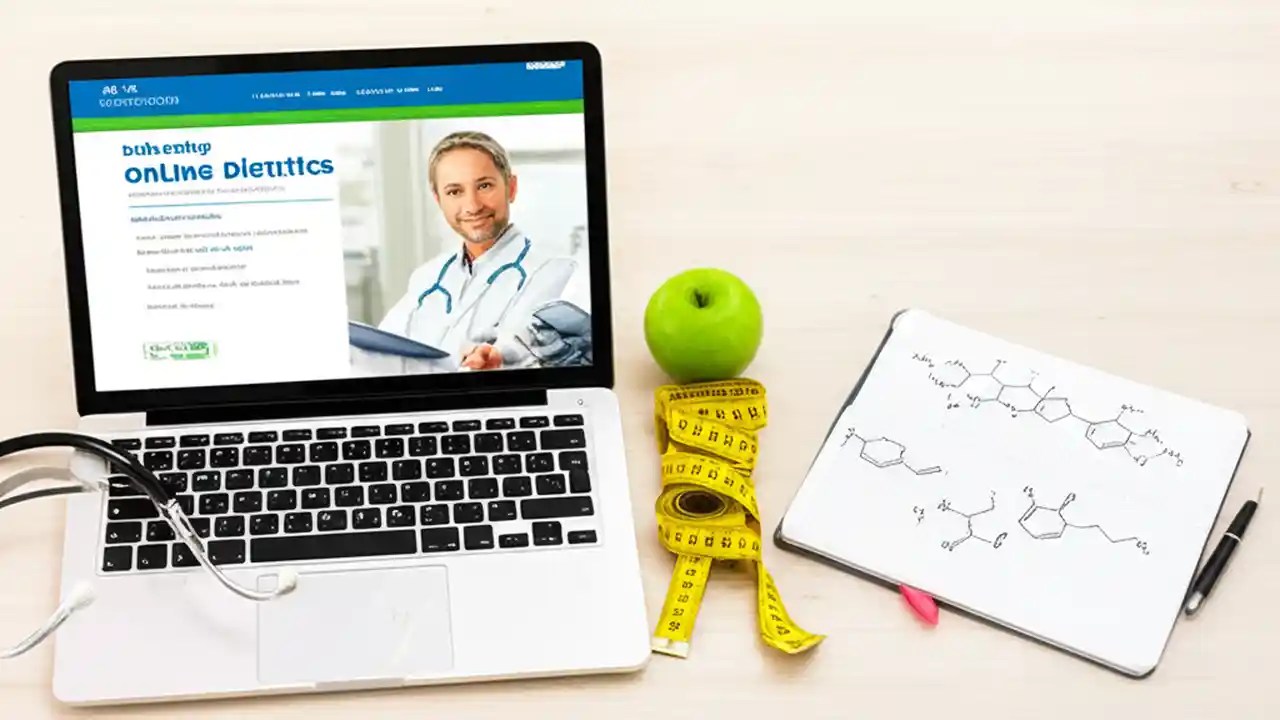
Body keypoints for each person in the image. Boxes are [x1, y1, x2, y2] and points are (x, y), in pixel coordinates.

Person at [372, 130, 576, 372]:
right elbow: (381, 347)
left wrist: (499, 358)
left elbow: (542, 349)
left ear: (511, 188)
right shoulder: (426, 278)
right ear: (438, 200)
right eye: (454, 192)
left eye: (484, 186)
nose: (472, 206)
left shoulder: (557, 272)